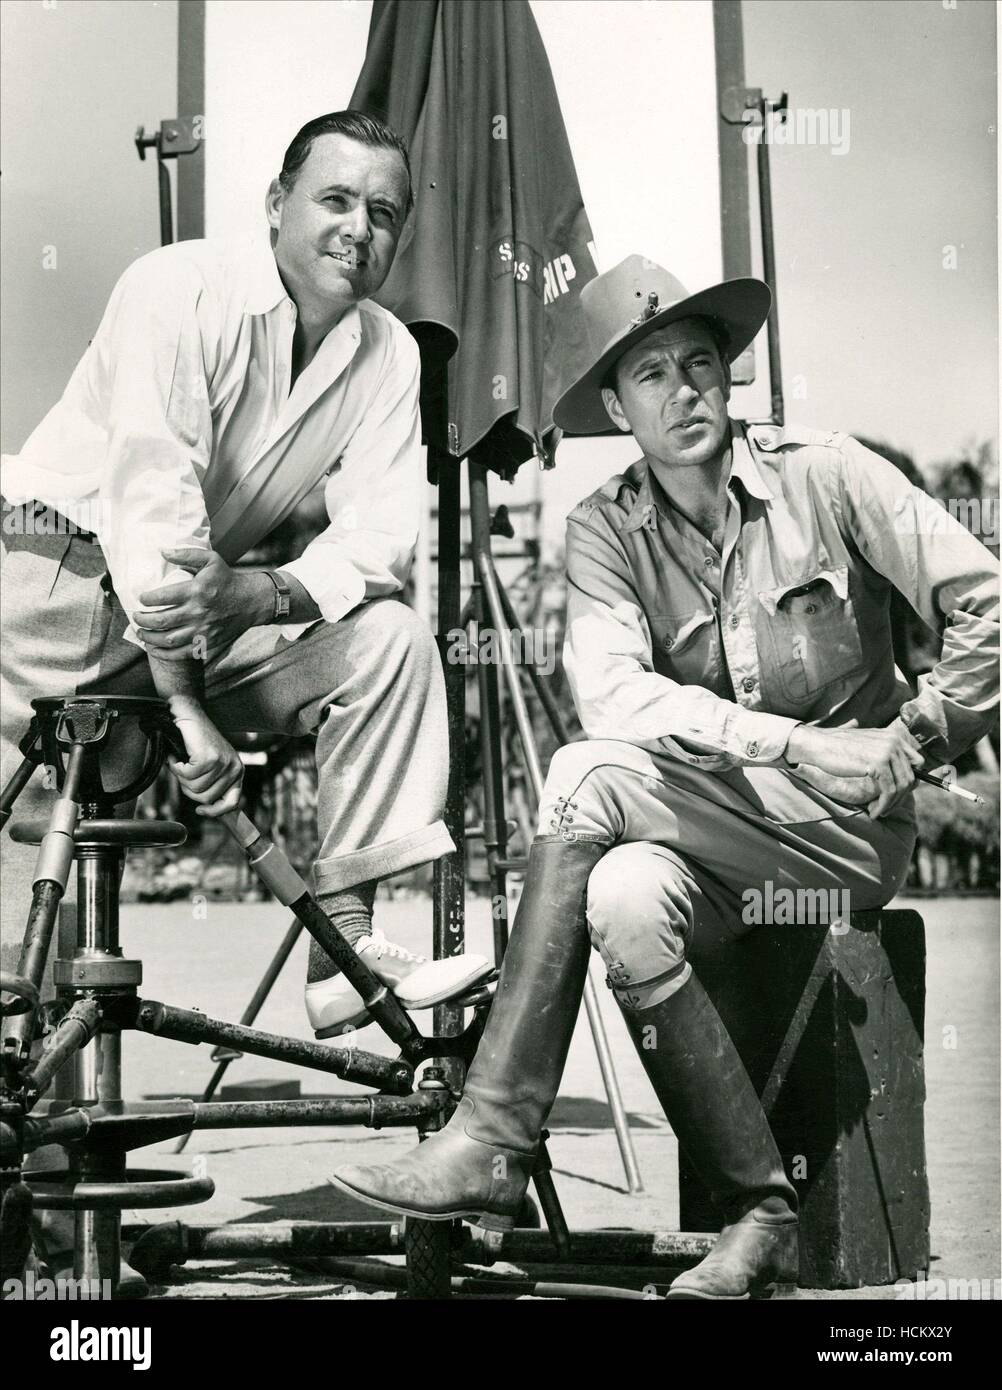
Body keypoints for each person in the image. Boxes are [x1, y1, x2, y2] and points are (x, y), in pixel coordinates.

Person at [332, 255, 999, 1299]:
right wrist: (791, 742)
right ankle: (762, 1210)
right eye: (652, 374)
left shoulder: (827, 473)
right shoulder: (605, 529)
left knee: (583, 775)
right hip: (715, 838)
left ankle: (494, 1135)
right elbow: (616, 696)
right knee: (621, 895)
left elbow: (988, 603)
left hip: (844, 839)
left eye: (700, 363)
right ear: (617, 404)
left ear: (730, 377)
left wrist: (914, 737)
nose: (683, 389)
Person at [0, 109, 491, 1059]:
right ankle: (42, 1185)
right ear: (275, 204)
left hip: (197, 616)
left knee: (391, 643)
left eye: (385, 213)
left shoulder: (387, 353)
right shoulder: (176, 289)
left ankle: (344, 946)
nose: (361, 229)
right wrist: (189, 713)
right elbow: (153, 511)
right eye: (336, 199)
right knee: (26, 962)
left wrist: (260, 599)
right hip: (50, 583)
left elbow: (384, 541)